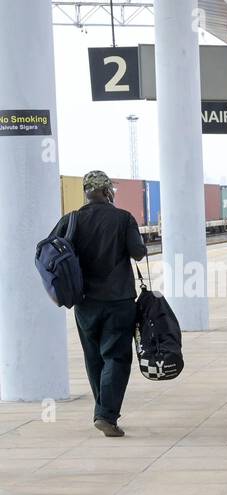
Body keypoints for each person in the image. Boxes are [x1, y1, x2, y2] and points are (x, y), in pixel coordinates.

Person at [49, 170, 146, 437]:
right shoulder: (123, 218)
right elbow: (138, 253)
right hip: (118, 301)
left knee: (94, 358)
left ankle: (103, 410)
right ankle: (106, 415)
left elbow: (51, 249)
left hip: (85, 302)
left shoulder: (72, 219)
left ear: (86, 192)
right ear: (107, 192)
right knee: (115, 356)